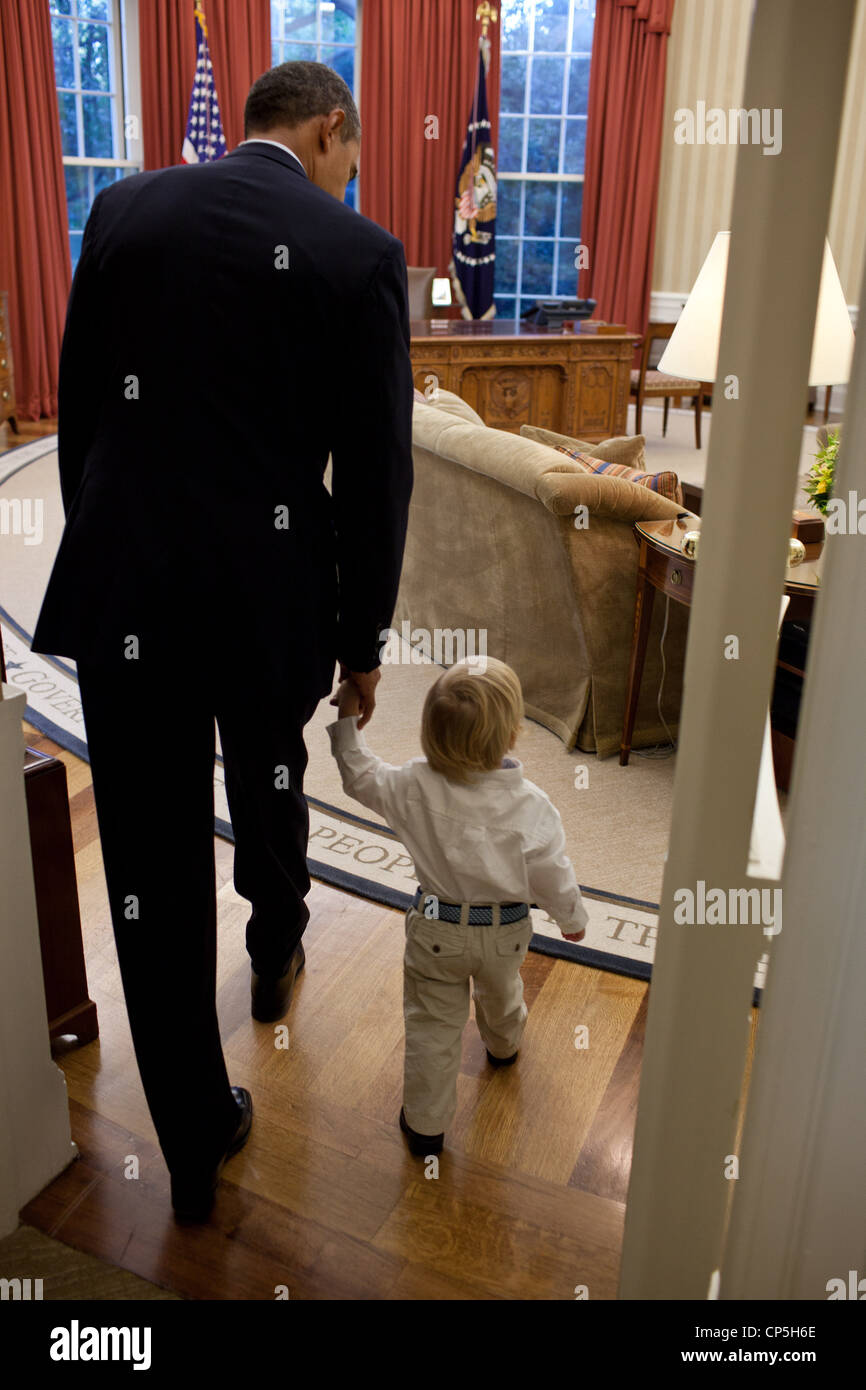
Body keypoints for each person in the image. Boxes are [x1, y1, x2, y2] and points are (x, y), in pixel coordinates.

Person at [30, 61, 414, 1220]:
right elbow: (377, 476)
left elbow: (80, 413)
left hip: (128, 589)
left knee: (145, 865)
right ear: (328, 128)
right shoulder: (357, 253)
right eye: (352, 153)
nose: (352, 175)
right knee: (269, 774)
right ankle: (276, 938)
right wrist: (361, 638)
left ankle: (192, 1142)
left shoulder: (124, 209)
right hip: (269, 598)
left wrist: (107, 542)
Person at [326, 656, 588, 1156]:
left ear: (429, 730)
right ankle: (504, 1046)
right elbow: (553, 875)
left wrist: (346, 721)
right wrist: (571, 919)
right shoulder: (532, 806)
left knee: (431, 1023)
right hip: (505, 933)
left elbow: (359, 774)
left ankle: (425, 1127)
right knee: (502, 989)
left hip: (436, 933)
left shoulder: (410, 785)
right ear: (513, 733)